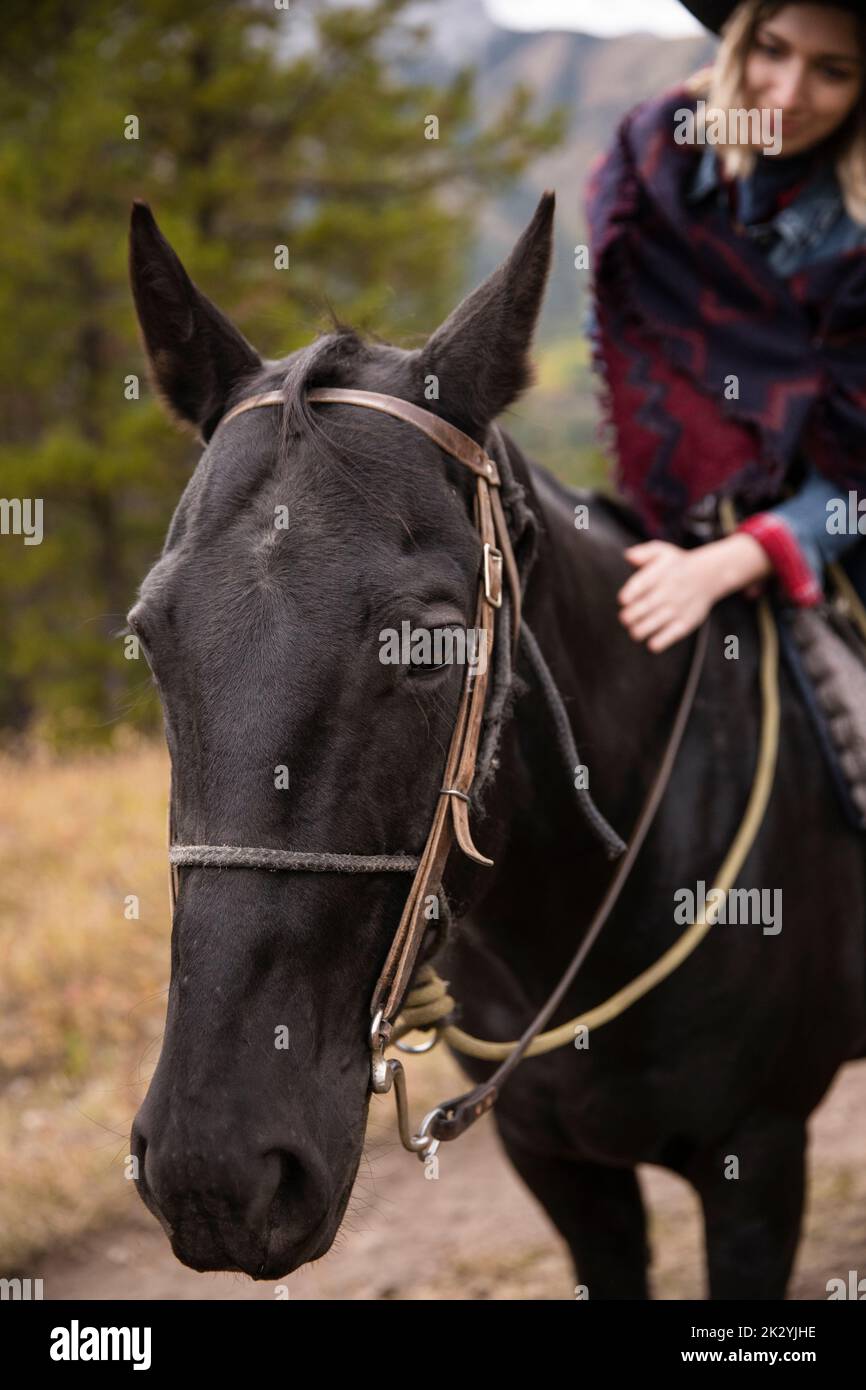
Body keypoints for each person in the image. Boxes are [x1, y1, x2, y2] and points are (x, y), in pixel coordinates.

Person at [584, 0, 866, 655]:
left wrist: (729, 562)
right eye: (773, 50)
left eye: (833, 70)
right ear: (737, 44)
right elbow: (620, 343)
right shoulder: (649, 163)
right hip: (667, 516)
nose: (789, 94)